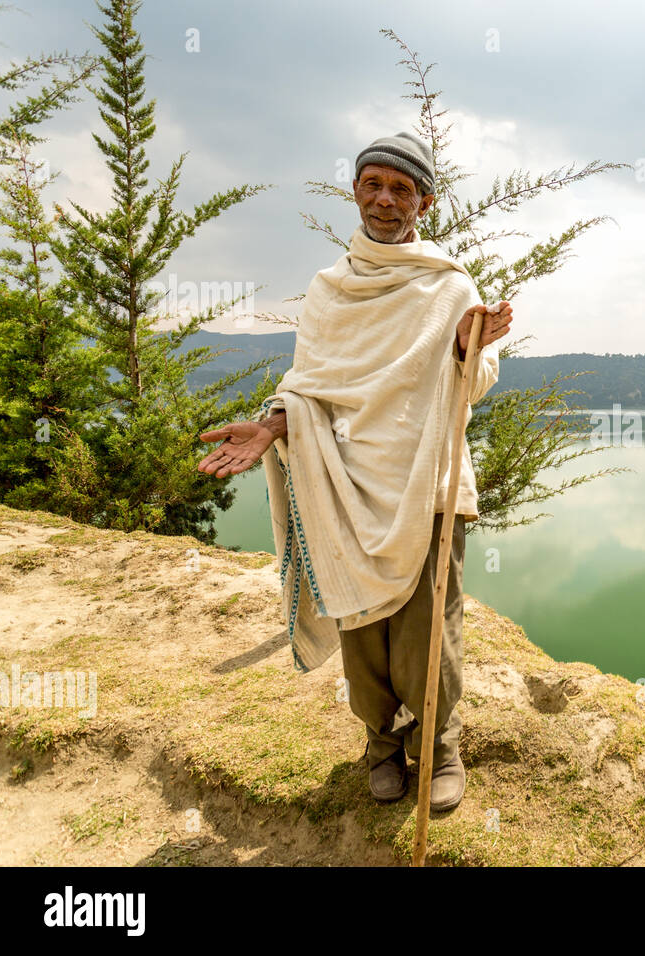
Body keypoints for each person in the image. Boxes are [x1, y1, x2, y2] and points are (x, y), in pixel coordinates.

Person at [197, 131, 513, 810]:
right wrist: (274, 425)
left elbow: (478, 375)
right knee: (362, 632)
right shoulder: (329, 289)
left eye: (402, 189)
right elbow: (311, 384)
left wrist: (467, 347)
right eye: (373, 183)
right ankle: (380, 741)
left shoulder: (447, 283)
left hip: (427, 484)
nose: (385, 199)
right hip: (343, 483)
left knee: (428, 635)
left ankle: (438, 744)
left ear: (424, 202)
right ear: (355, 190)